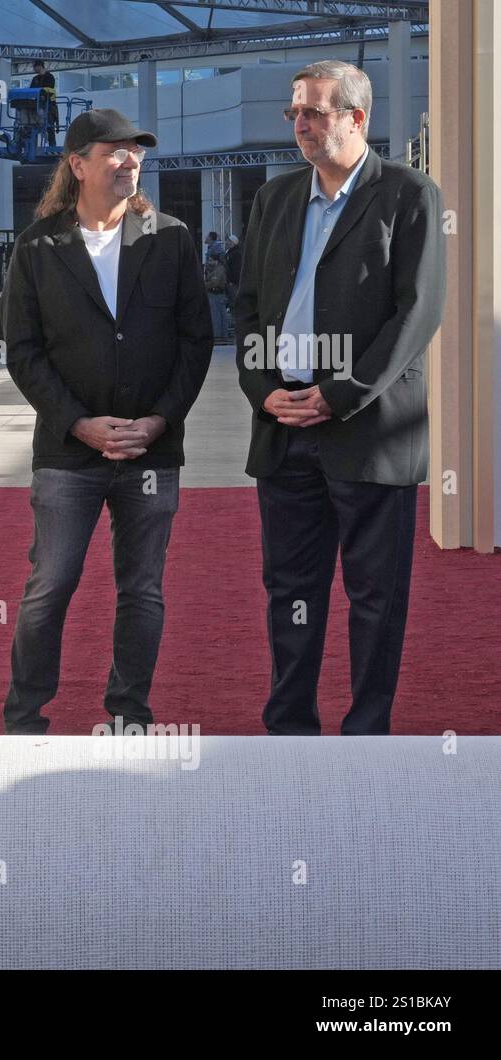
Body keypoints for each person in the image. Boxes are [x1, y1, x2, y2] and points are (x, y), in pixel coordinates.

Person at [235, 60, 446, 735]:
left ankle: (366, 735)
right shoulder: (275, 199)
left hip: (368, 428)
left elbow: (418, 316)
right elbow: (244, 311)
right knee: (289, 591)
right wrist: (264, 392)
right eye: (295, 112)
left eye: (315, 112)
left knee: (375, 596)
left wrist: (340, 394)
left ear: (357, 118)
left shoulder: (410, 194)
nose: (300, 124)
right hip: (284, 426)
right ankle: (290, 728)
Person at [1, 108, 213, 735]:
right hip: (69, 454)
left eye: (136, 151)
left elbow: (195, 342)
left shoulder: (170, 238)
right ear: (78, 164)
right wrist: (78, 423)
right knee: (50, 586)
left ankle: (129, 713)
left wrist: (158, 421)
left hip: (151, 452)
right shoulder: (38, 247)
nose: (130, 160)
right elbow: (24, 352)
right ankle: (25, 717)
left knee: (142, 591)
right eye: (115, 151)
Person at [30, 60, 60, 147]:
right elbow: (32, 91)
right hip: (36, 106)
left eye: (34, 67)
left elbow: (49, 89)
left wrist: (42, 93)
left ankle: (52, 147)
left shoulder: (49, 77)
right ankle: (33, 148)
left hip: (49, 106)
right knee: (32, 127)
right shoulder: (35, 79)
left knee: (50, 127)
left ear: (39, 66)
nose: (33, 69)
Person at [204, 249, 231, 341]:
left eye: (211, 260)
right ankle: (221, 334)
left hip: (217, 294)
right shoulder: (214, 269)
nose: (209, 262)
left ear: (216, 261)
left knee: (217, 316)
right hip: (215, 294)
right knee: (219, 315)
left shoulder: (219, 270)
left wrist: (204, 285)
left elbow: (215, 282)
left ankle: (218, 335)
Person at [224, 232, 242, 310]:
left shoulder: (235, 254)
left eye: (228, 241)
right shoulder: (230, 253)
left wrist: (232, 281)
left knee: (233, 302)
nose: (226, 242)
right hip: (231, 282)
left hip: (233, 283)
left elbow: (236, 269)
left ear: (233, 243)